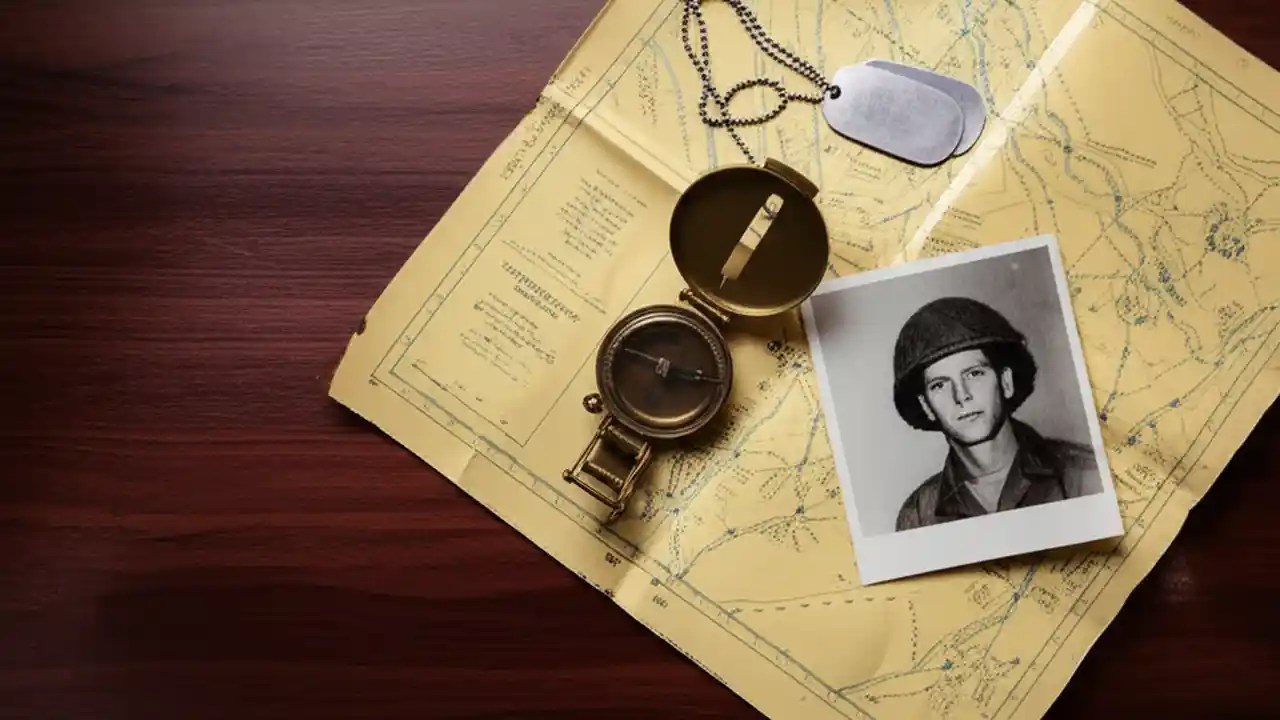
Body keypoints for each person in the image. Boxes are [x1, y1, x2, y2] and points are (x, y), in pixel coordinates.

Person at [892, 297, 1100, 531]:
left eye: (974, 374)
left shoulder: (1085, 475)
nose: (962, 396)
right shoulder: (919, 517)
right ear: (927, 406)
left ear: (1005, 381)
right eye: (939, 385)